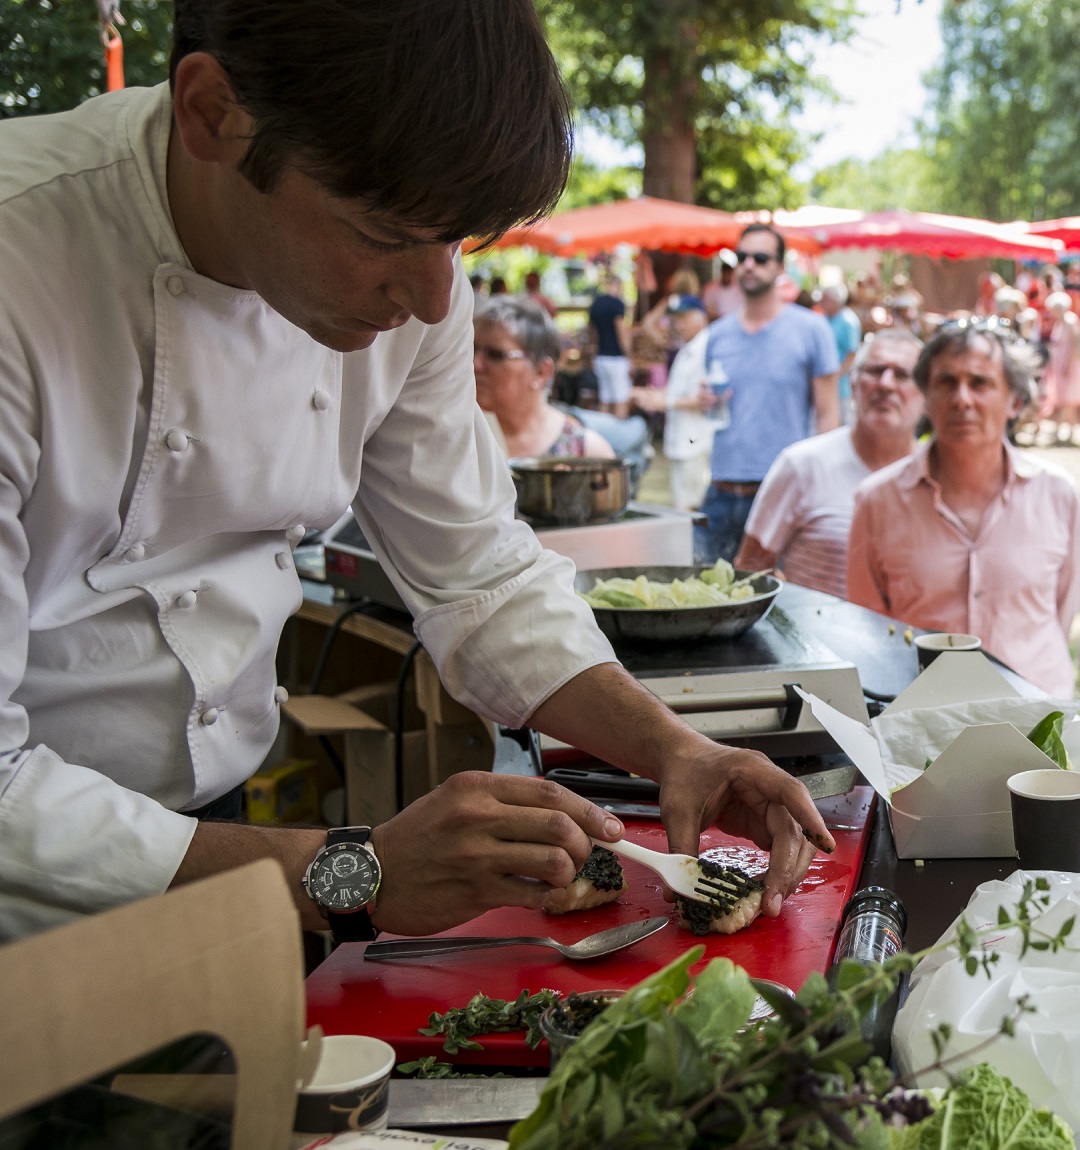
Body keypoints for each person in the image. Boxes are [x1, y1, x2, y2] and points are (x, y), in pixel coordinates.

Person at [0, 0, 831, 944]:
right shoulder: (17, 264)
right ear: (212, 112)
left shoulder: (421, 283)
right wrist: (358, 872)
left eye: (461, 244)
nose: (435, 297)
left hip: (218, 830)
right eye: (383, 234)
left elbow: (479, 576)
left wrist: (677, 751)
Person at [847, 321, 1080, 698]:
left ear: (1015, 402)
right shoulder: (877, 501)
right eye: (946, 382)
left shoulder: (1058, 495)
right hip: (922, 720)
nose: (962, 399)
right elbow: (871, 626)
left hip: (1038, 720)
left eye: (980, 383)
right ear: (926, 397)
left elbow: (1063, 611)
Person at [736, 330, 923, 597]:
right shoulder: (802, 465)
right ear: (853, 383)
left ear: (928, 393)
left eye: (903, 375)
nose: (886, 384)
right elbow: (751, 569)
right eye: (874, 370)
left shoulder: (940, 475)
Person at [698, 223, 841, 563]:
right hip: (721, 490)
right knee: (707, 601)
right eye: (742, 257)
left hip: (782, 493)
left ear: (780, 266)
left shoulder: (811, 329)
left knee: (782, 607)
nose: (749, 265)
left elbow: (828, 414)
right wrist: (707, 403)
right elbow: (716, 409)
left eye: (761, 258)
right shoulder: (718, 335)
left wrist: (827, 488)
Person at [472, 296, 616, 460]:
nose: (475, 364)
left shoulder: (587, 455)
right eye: (472, 350)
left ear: (542, 371)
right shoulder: (452, 439)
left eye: (495, 355)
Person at [661, 295, 716, 511]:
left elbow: (703, 399)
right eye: (675, 320)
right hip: (681, 437)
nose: (678, 325)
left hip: (694, 440)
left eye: (683, 319)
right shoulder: (687, 348)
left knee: (689, 508)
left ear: (700, 318)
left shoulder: (706, 349)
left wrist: (665, 401)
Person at [1038, 290, 1080, 446]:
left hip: (1068, 366)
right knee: (1067, 400)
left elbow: (1073, 344)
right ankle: (1068, 432)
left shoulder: (1069, 321)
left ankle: (1059, 430)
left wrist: (1067, 365)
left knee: (1067, 399)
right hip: (1061, 364)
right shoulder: (1061, 322)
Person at [587, 275, 633, 419]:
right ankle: (620, 439)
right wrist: (629, 356)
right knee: (620, 399)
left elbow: (593, 334)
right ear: (618, 287)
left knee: (605, 399)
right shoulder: (617, 304)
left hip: (601, 358)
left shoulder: (596, 304)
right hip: (616, 359)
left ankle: (604, 434)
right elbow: (621, 333)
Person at [817, 279, 862, 421]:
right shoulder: (824, 318)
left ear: (835, 301)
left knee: (841, 419)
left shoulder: (848, 321)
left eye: (825, 299)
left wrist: (837, 375)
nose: (821, 303)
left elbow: (852, 353)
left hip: (840, 385)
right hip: (823, 381)